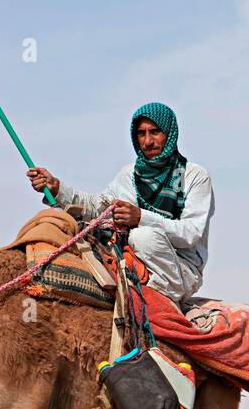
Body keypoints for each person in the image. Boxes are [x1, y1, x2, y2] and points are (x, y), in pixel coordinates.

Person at [27, 102, 213, 307]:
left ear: (169, 133)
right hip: (134, 260)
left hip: (180, 269)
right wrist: (57, 189)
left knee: (143, 236)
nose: (148, 141)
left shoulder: (195, 176)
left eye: (155, 132)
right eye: (141, 134)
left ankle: (165, 299)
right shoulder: (129, 175)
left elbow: (190, 234)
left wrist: (141, 217)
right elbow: (99, 207)